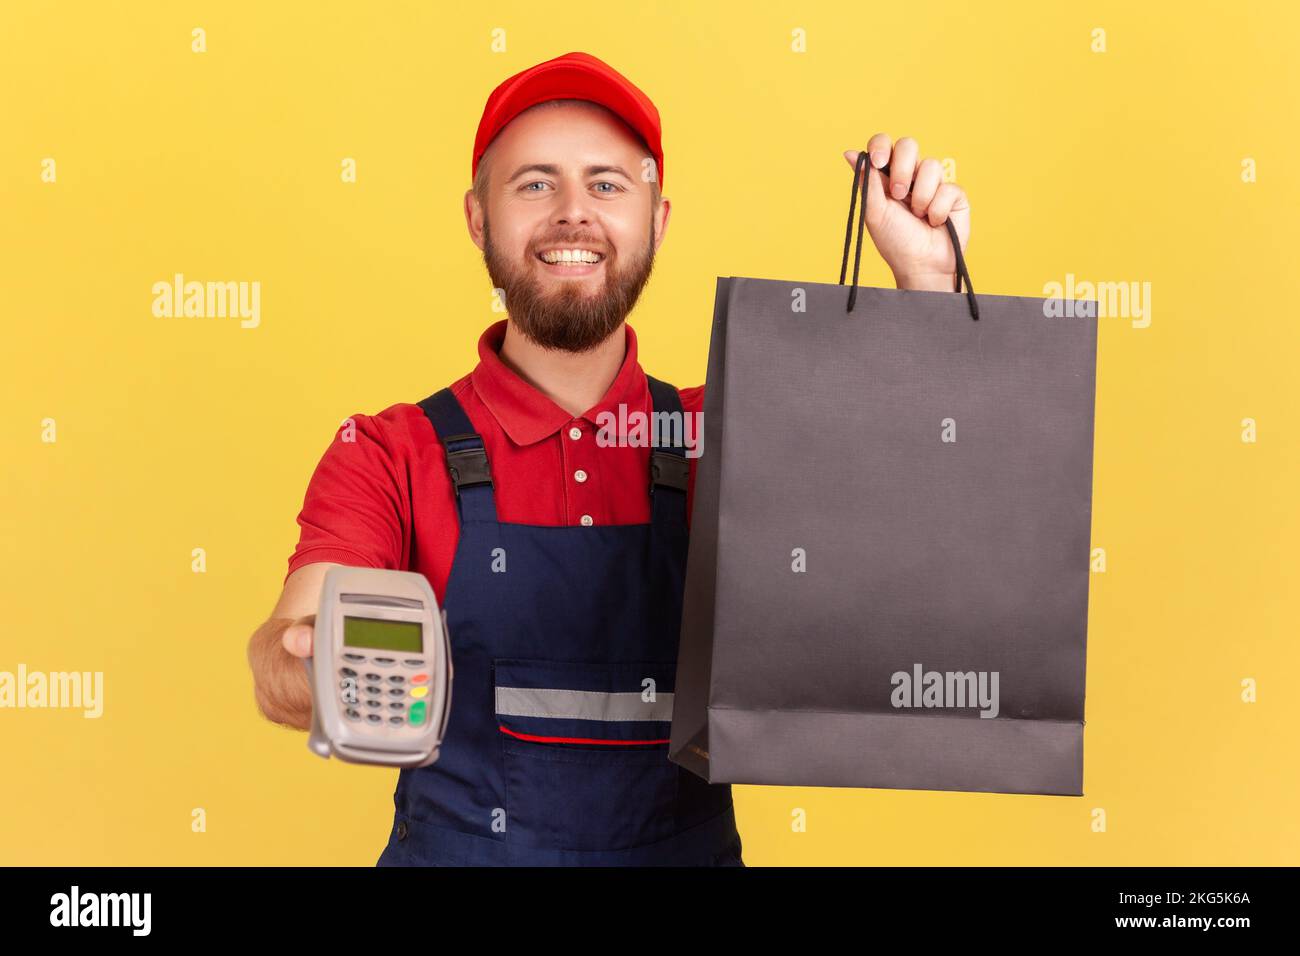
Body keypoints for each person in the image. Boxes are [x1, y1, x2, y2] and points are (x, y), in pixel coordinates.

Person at [245, 50, 972, 866]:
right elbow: (288, 651)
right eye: (533, 184)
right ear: (478, 218)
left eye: (606, 184)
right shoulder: (387, 452)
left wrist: (928, 280)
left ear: (657, 221)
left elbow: (913, 491)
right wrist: (313, 667)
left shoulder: (724, 436)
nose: (572, 213)